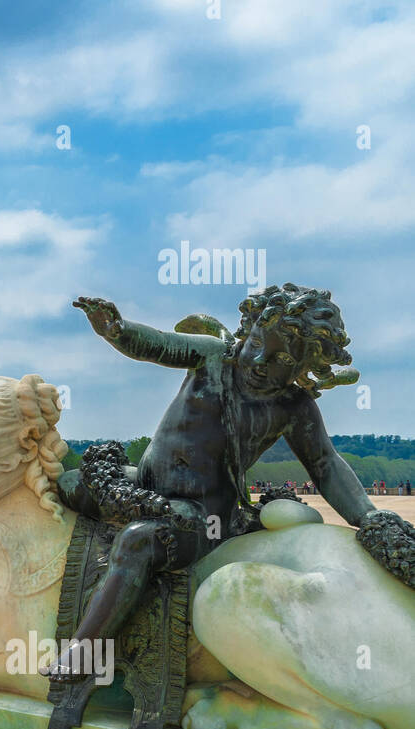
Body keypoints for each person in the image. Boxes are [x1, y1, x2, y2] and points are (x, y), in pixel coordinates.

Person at [46, 286, 380, 682]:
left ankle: (86, 651)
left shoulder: (293, 406)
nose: (259, 360)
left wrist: (369, 517)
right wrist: (117, 330)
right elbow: (160, 345)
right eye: (256, 342)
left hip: (199, 515)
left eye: (283, 359)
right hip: (146, 484)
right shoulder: (211, 355)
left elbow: (325, 464)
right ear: (248, 328)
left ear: (304, 369)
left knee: (137, 542)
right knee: (67, 482)